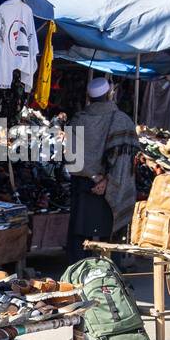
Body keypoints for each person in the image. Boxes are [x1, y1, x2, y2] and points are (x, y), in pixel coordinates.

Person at [66, 77, 139, 261]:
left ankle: (78, 274)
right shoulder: (121, 120)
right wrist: (105, 180)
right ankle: (111, 275)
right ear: (110, 94)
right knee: (110, 236)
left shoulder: (78, 120)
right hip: (111, 187)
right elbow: (124, 160)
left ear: (88, 98)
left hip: (84, 185)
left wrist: (94, 176)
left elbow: (72, 157)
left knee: (80, 234)